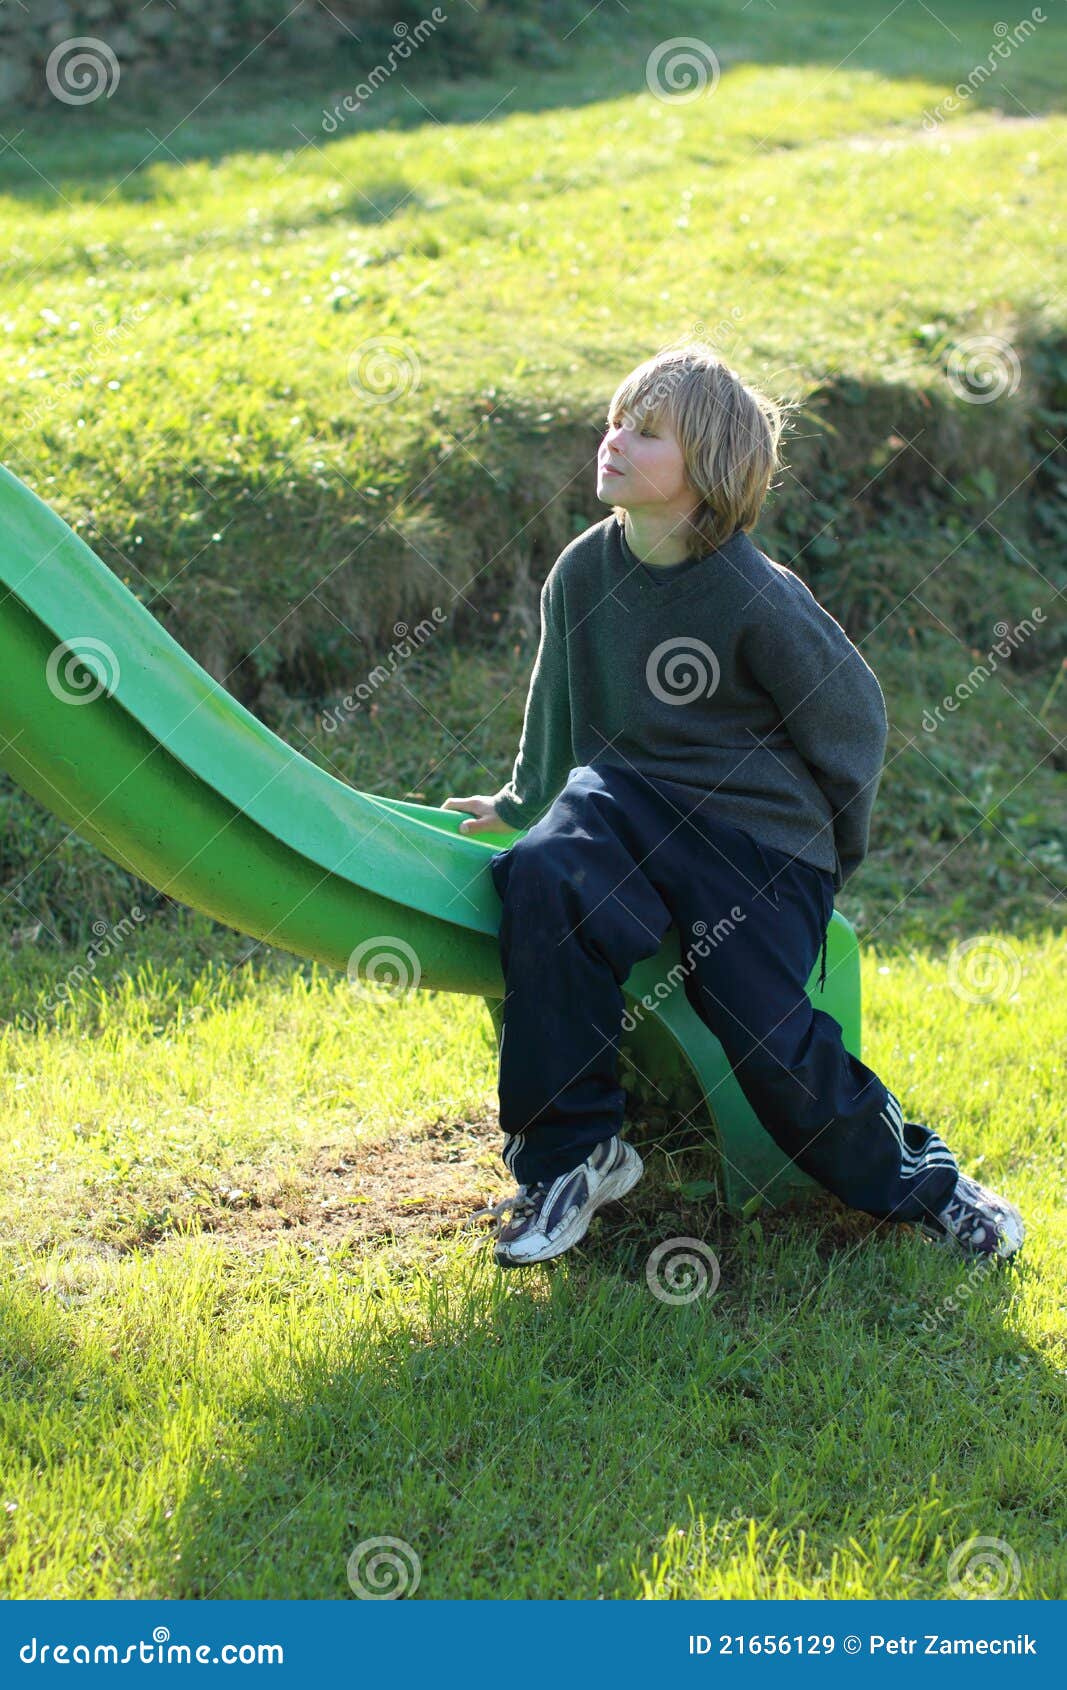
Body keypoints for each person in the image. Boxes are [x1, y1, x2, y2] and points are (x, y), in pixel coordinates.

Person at [442, 340, 1025, 1270]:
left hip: (755, 837)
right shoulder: (582, 572)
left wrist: (826, 859)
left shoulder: (755, 594)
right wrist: (521, 801)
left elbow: (853, 722)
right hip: (627, 805)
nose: (614, 441)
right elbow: (556, 705)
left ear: (707, 465)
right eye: (615, 422)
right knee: (547, 873)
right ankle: (571, 1158)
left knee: (759, 1028)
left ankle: (925, 1184)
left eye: (646, 431)